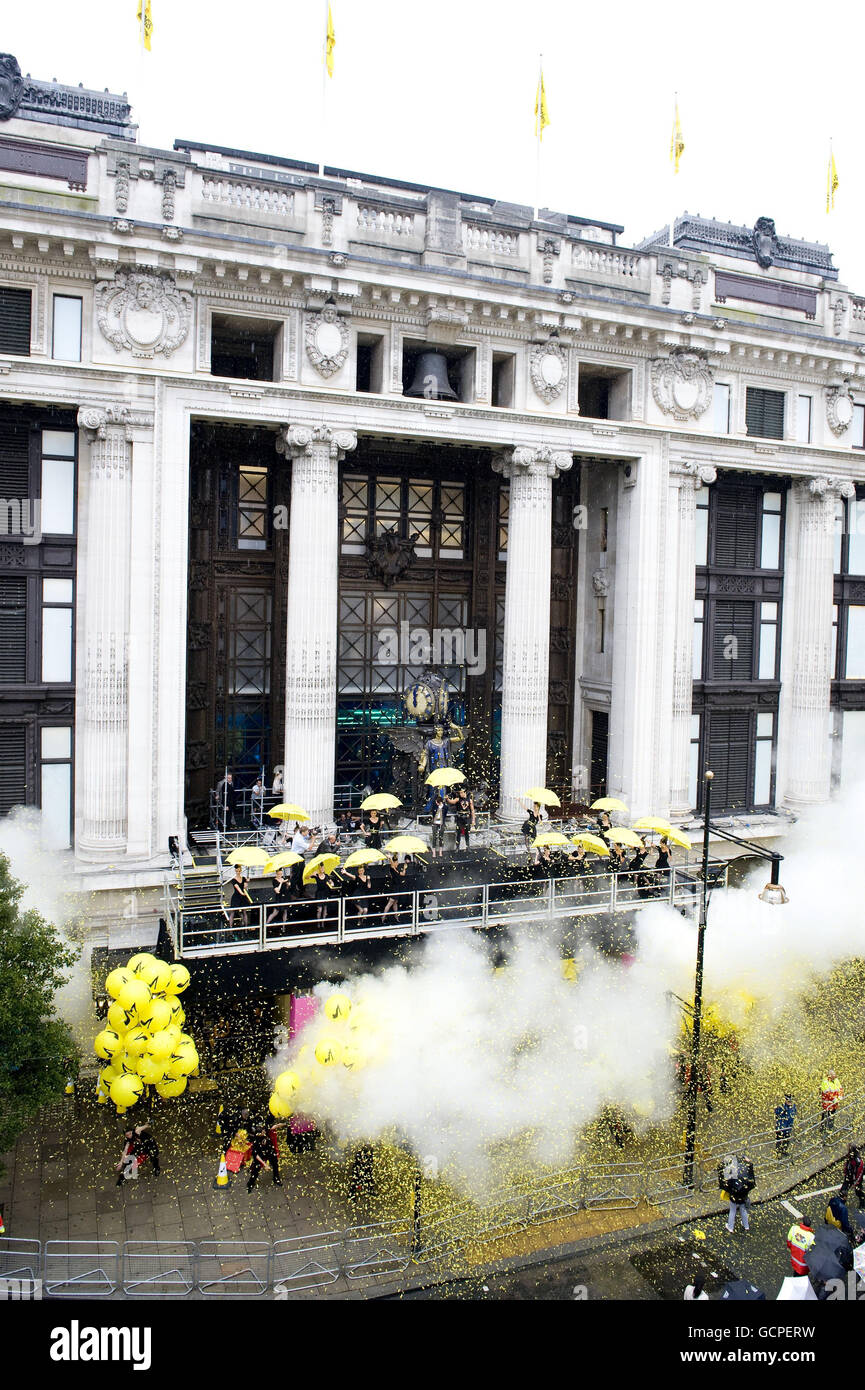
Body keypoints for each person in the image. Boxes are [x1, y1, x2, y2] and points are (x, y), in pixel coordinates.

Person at [718, 1153, 755, 1233]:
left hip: (734, 1196)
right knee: (743, 1210)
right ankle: (746, 1226)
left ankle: (730, 1227)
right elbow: (750, 1170)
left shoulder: (732, 1174)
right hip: (743, 1196)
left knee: (732, 1211)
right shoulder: (746, 1173)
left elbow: (727, 1183)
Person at [246, 1125, 282, 1192]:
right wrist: (264, 1164)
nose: (264, 1132)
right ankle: (250, 1183)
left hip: (270, 1151)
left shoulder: (264, 1131)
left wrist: (283, 1124)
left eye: (264, 1131)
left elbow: (273, 1127)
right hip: (260, 1155)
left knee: (275, 1164)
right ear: (258, 1134)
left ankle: (276, 1178)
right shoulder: (255, 1142)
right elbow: (256, 1156)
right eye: (262, 1132)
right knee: (256, 1170)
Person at [382, 853, 406, 921]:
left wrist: (404, 868)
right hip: (394, 887)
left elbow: (403, 874)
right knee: (390, 903)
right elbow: (392, 864)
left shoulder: (397, 870)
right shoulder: (392, 868)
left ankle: (396, 917)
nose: (398, 863)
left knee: (395, 903)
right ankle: (383, 917)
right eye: (397, 862)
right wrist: (390, 858)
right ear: (394, 862)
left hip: (397, 887)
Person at [820, 1071, 844, 1141]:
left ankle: (830, 1130)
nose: (835, 1075)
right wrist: (834, 1098)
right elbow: (827, 1092)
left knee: (832, 1117)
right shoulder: (825, 1082)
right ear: (829, 1075)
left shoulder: (836, 1080)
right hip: (827, 1104)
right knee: (826, 1117)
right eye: (833, 1074)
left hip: (834, 1104)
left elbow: (840, 1089)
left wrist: (840, 1096)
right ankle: (823, 1131)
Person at [840, 1144, 865, 1209]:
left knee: (858, 1192)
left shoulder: (858, 1161)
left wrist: (856, 1182)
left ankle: (863, 1203)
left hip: (856, 1179)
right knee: (843, 1191)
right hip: (849, 1177)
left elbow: (859, 1173)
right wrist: (845, 1172)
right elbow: (848, 1165)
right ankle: (841, 1205)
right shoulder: (850, 1158)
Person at [430, 791, 447, 860]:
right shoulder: (434, 806)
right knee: (434, 837)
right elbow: (433, 812)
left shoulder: (445, 807)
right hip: (435, 823)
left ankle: (440, 851)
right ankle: (434, 852)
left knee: (441, 837)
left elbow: (445, 814)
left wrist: (441, 807)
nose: (436, 803)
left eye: (437, 802)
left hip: (441, 823)